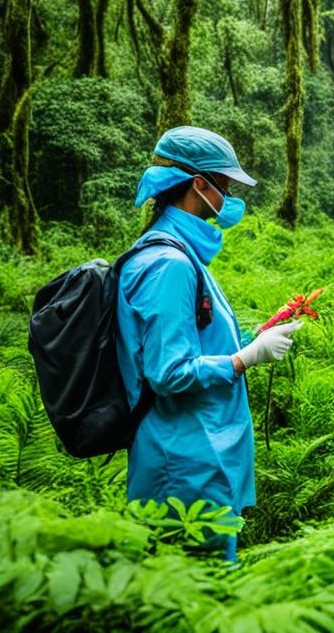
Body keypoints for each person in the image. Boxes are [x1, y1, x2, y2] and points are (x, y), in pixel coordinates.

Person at [117, 126, 304, 562]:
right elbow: (168, 372)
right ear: (200, 185)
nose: (230, 197)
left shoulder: (182, 253)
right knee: (200, 588)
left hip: (202, 454)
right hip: (185, 465)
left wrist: (258, 336)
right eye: (226, 186)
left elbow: (195, 339)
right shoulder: (169, 264)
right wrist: (244, 359)